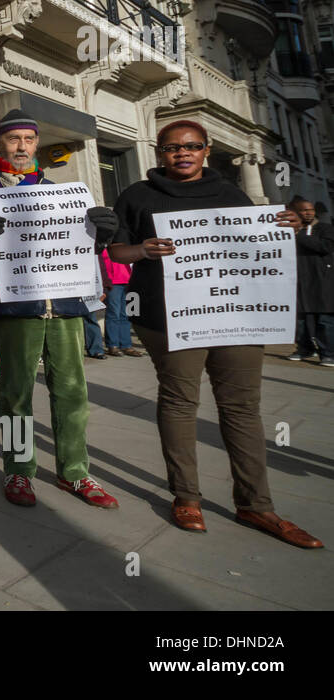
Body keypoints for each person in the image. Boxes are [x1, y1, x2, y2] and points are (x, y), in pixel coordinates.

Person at [108, 119, 322, 547]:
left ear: (206, 151)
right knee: (179, 401)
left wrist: (288, 227)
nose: (182, 153)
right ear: (159, 152)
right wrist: (142, 251)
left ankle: (256, 504)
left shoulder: (231, 193)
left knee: (242, 407)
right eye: (172, 148)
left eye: (192, 146)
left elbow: (260, 242)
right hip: (168, 317)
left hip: (236, 314)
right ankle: (186, 497)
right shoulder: (137, 196)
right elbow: (115, 249)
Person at [0, 109, 120, 509]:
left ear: (37, 144)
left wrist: (100, 236)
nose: (21, 147)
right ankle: (18, 469)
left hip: (65, 305)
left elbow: (81, 251)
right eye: (13, 139)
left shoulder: (61, 193)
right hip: (14, 307)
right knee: (15, 393)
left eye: (29, 139)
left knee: (72, 392)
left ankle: (75, 472)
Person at [287, 197, 334, 367]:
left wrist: (299, 234)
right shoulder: (287, 230)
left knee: (324, 319)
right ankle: (304, 348)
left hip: (321, 281)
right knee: (300, 320)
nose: (308, 213)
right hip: (299, 281)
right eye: (304, 210)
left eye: (311, 210)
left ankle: (328, 353)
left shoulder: (324, 228)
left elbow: (325, 247)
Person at [102, 248, 141, 357]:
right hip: (114, 283)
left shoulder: (127, 245)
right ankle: (112, 345)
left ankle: (126, 345)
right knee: (113, 313)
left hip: (129, 281)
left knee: (127, 315)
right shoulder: (107, 248)